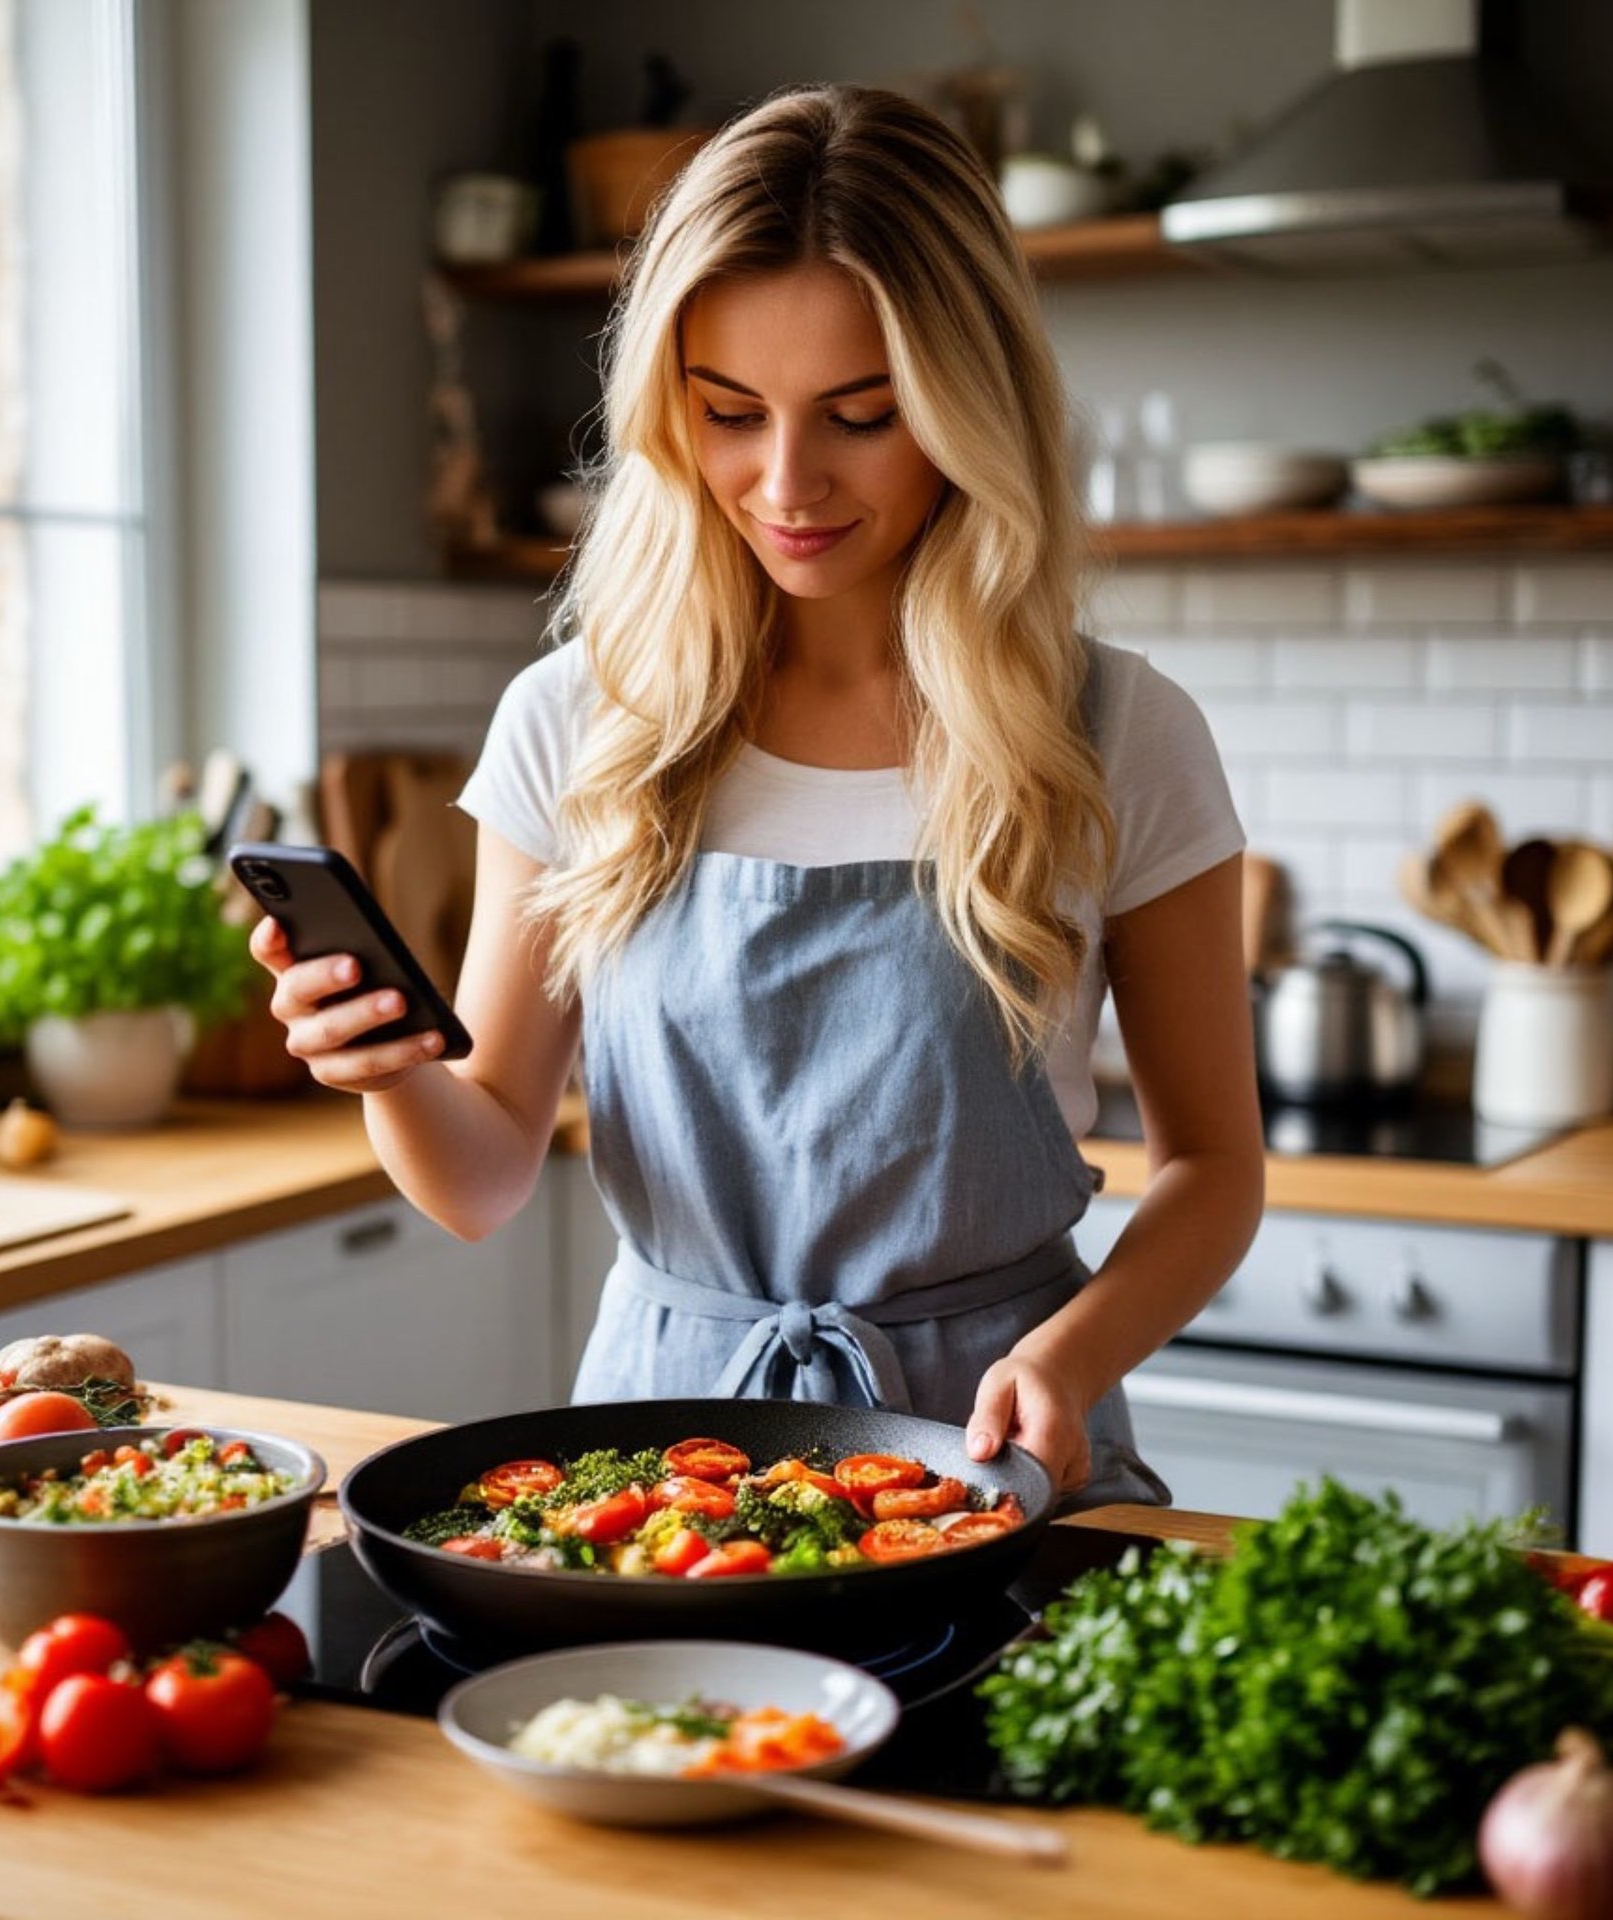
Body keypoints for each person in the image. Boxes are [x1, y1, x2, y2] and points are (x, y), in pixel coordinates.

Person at [254, 84, 1265, 1510]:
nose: (786, 482)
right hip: (661, 1476)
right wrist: (383, 1068)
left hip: (993, 1466)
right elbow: (480, 1176)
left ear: (970, 411)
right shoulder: (579, 724)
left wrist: (1072, 1355)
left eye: (860, 417)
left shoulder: (1115, 733)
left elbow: (1214, 1168)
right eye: (730, 413)